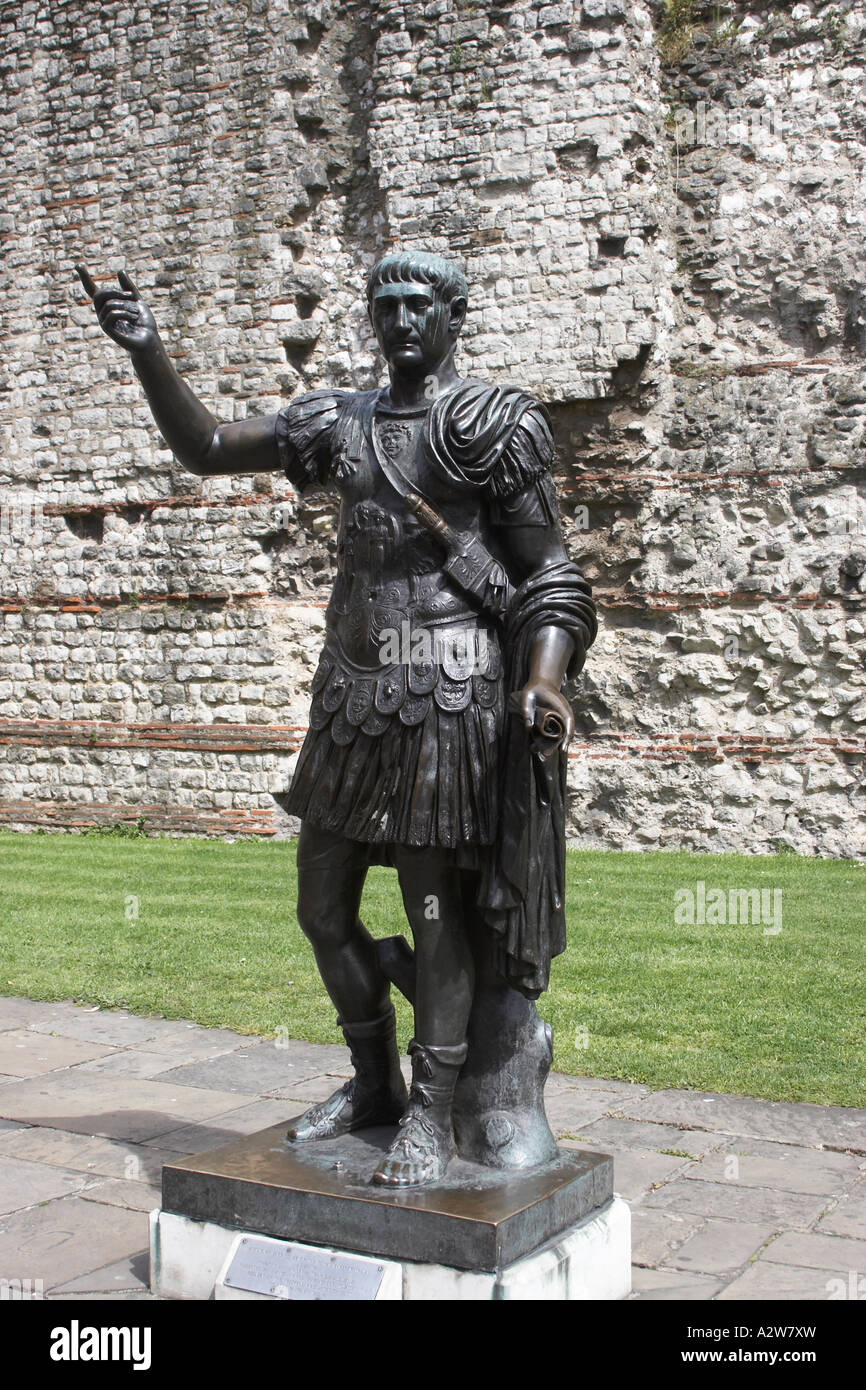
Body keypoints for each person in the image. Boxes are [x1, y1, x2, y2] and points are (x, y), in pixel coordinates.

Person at [78, 251, 597, 1187]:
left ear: (453, 315)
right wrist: (149, 351)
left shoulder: (488, 425)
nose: (399, 322)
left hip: (450, 689)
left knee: (436, 913)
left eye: (417, 306)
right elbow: (206, 448)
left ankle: (433, 1113)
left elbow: (551, 573)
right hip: (354, 694)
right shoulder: (341, 421)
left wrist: (547, 677)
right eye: (385, 305)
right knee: (322, 908)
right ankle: (371, 1083)